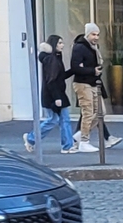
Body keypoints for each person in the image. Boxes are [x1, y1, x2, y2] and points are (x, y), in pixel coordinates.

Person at [68, 22, 117, 152]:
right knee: (88, 113)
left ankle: (81, 134)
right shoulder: (79, 47)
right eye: (93, 34)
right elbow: (75, 67)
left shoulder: (94, 47)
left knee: (101, 113)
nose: (96, 37)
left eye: (97, 35)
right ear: (87, 34)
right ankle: (84, 141)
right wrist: (92, 71)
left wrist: (93, 71)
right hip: (83, 84)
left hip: (94, 83)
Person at [33, 31, 75, 154]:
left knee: (59, 120)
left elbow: (59, 77)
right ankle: (32, 138)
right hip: (54, 95)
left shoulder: (54, 58)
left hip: (54, 94)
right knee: (57, 120)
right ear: (54, 44)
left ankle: (67, 145)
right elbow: (52, 80)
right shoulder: (52, 60)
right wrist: (57, 97)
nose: (62, 45)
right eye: (60, 43)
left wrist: (74, 70)